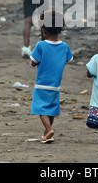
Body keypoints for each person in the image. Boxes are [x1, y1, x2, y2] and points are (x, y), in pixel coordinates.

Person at [30, 10, 73, 143]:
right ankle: (47, 132)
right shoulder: (64, 46)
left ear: (44, 30)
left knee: (41, 108)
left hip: (42, 84)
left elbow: (33, 62)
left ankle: (48, 130)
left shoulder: (41, 45)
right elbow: (68, 59)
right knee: (52, 108)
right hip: (56, 85)